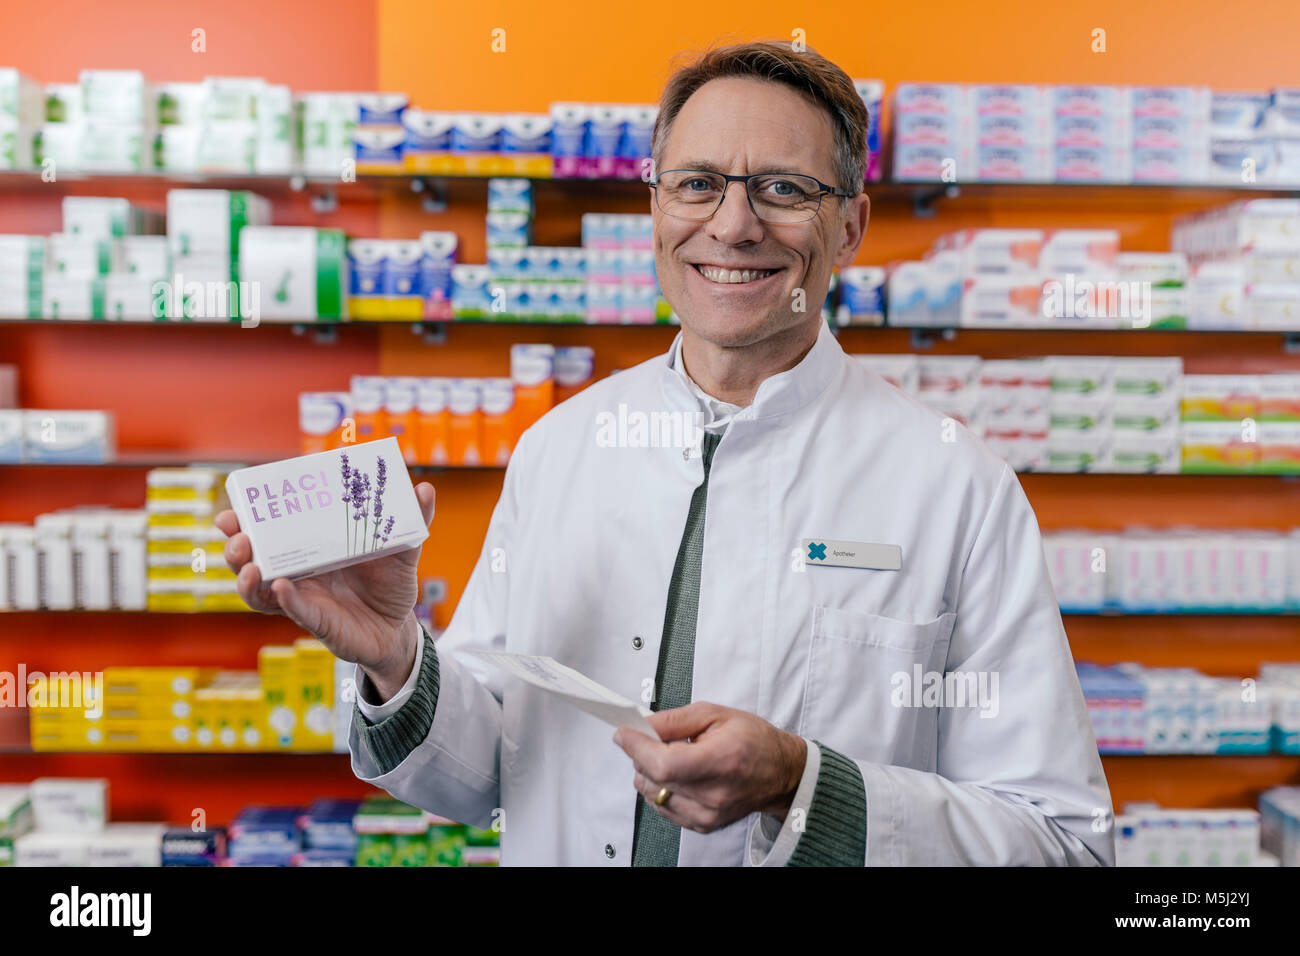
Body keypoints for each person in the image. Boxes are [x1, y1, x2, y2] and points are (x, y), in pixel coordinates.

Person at [219, 40, 1114, 866]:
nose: (732, 226)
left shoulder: (956, 487)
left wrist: (805, 787)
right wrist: (392, 658)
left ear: (850, 227)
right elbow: (485, 772)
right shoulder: (560, 449)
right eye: (696, 184)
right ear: (654, 205)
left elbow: (1063, 843)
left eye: (785, 189)